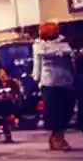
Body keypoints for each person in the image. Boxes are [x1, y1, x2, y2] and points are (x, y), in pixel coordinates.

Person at [32, 21, 77, 151]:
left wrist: (74, 76)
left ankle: (58, 136)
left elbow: (72, 61)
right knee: (55, 112)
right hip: (49, 82)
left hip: (67, 81)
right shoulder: (38, 46)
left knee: (67, 111)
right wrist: (37, 81)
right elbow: (37, 64)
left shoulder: (64, 44)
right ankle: (58, 138)